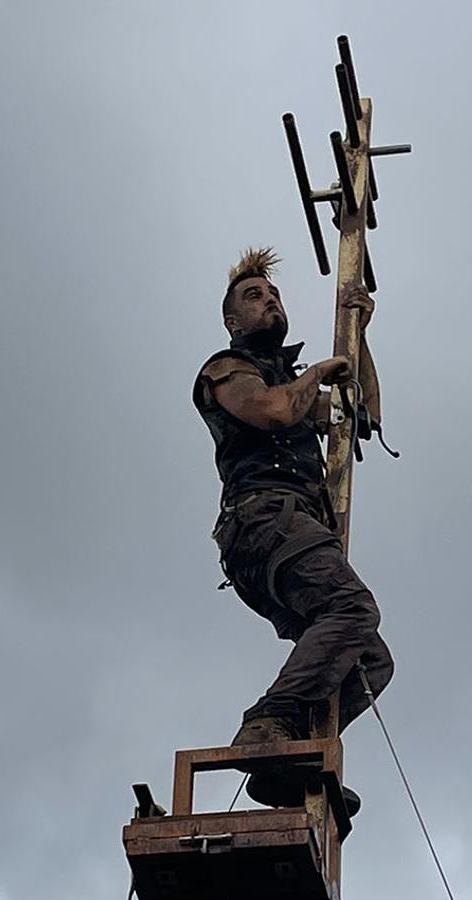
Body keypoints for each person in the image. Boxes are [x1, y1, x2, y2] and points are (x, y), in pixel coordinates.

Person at [193, 247, 393, 809]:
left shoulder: (295, 385)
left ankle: (292, 760)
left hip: (293, 527)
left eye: (274, 294)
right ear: (233, 320)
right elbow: (273, 412)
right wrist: (320, 370)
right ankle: (268, 725)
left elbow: (363, 416)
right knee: (351, 608)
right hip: (261, 521)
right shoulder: (226, 371)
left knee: (372, 661)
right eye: (254, 297)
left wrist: (360, 337)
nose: (269, 302)